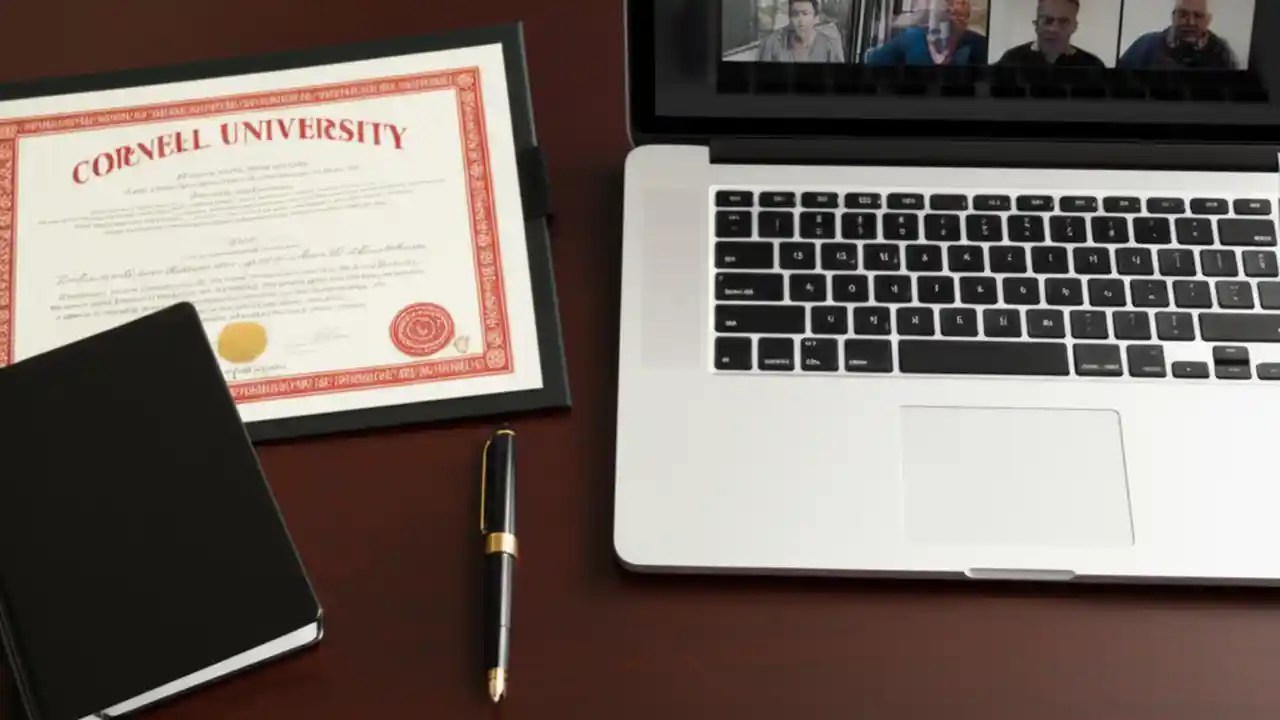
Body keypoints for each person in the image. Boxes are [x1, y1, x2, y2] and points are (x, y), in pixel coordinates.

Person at [1118, 0, 1239, 70]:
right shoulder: (1145, 45)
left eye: (1197, 16)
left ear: (1208, 20)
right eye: (1183, 14)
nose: (1190, 22)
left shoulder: (1222, 52)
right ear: (1173, 16)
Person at [865, 0, 989, 66]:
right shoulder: (913, 39)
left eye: (963, 3)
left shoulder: (978, 45)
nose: (956, 7)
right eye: (950, 3)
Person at [996, 0, 1105, 68]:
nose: (1053, 29)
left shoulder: (1093, 66)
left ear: (1074, 27)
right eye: (1047, 20)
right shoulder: (1010, 60)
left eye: (1063, 22)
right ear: (1036, 24)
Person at [757, 0, 847, 63]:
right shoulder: (773, 44)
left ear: (815, 17)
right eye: (795, 14)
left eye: (805, 13)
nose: (800, 20)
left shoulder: (829, 46)